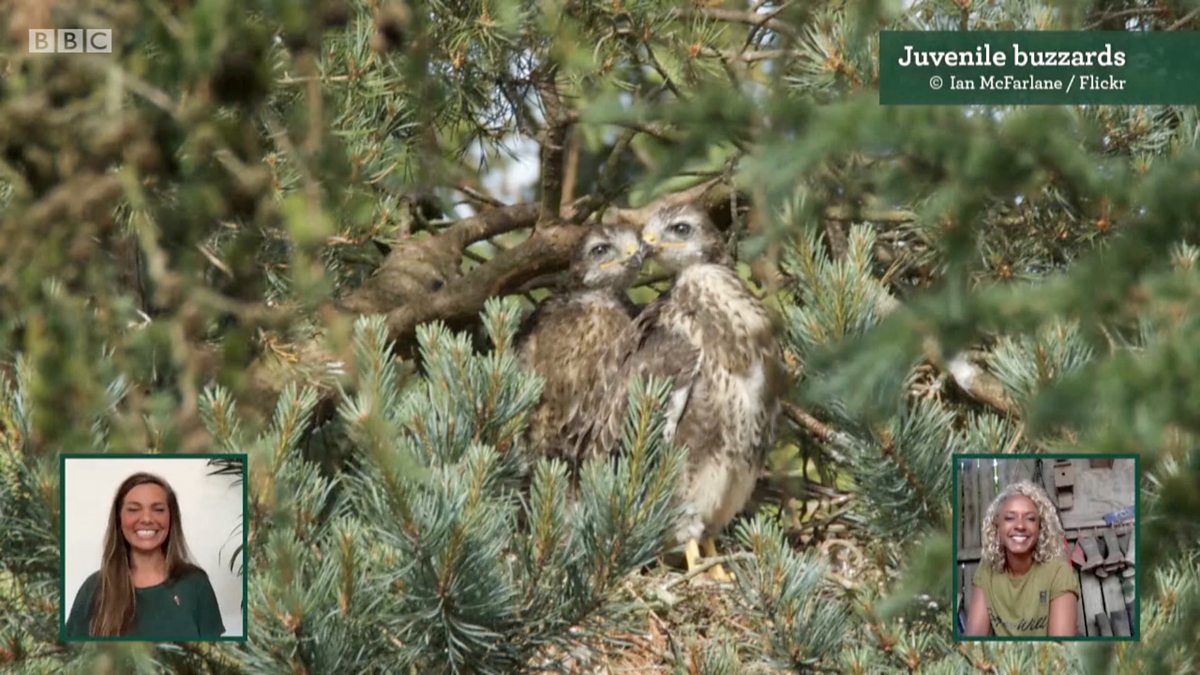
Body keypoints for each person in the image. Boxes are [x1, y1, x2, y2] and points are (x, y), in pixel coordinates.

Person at [65, 472, 225, 639]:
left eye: (158, 510)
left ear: (171, 518)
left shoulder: (195, 584)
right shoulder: (94, 588)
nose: (147, 518)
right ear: (119, 519)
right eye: (134, 510)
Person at [965, 480, 1080, 637]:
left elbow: (1061, 648)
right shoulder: (987, 569)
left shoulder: (1058, 572)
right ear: (996, 526)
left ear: (1041, 528)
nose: (1020, 525)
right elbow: (974, 641)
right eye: (1010, 518)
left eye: (1030, 518)